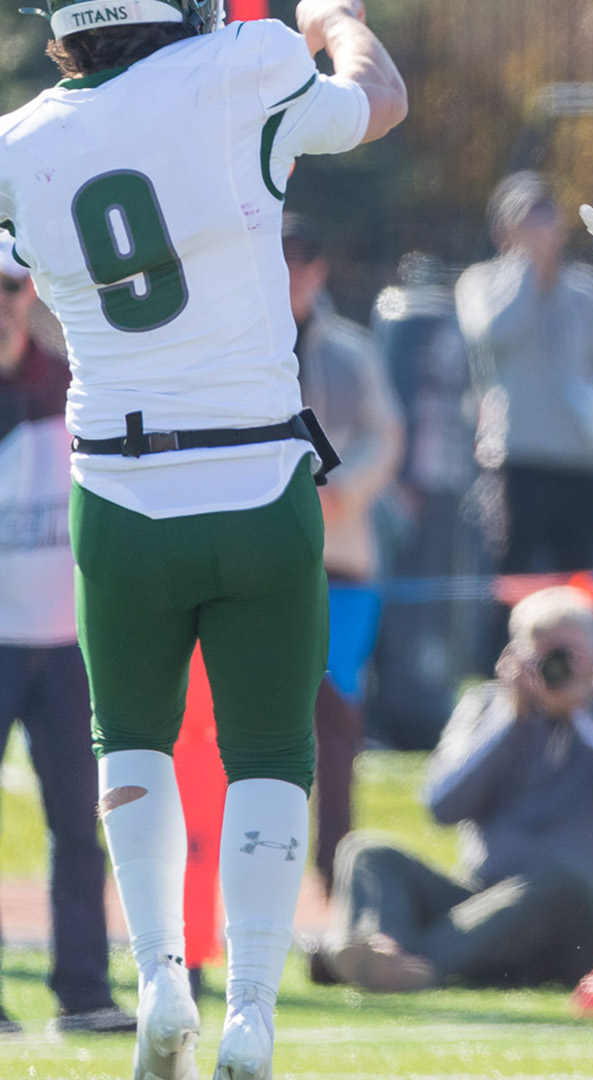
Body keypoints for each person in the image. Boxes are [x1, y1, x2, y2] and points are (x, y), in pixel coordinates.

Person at [0, 1, 406, 1076]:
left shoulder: (20, 140)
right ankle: (254, 1010)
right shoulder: (241, 64)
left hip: (120, 489)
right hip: (258, 477)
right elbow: (382, 102)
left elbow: (41, 301)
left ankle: (160, 976)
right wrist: (335, 23)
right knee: (270, 753)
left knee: (128, 744)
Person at [318, 586, 593, 992]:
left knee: (559, 881)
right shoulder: (488, 707)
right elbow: (442, 804)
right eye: (547, 656)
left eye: (572, 654)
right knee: (366, 851)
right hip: (483, 906)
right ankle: (376, 949)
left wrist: (585, 718)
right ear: (517, 655)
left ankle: (406, 964)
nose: (560, 668)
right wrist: (510, 717)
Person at [0, 238, 136, 1037]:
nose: (3, 305)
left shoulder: (70, 386)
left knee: (78, 826)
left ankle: (83, 992)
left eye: (13, 289)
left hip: (63, 642)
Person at [284, 213, 405, 893]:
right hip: (264, 560)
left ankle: (336, 866)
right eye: (279, 260)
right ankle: (254, 855)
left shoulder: (350, 353)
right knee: (264, 712)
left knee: (335, 708)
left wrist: (344, 487)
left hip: (342, 560)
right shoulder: (243, 344)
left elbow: (386, 434)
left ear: (320, 271)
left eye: (301, 262)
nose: (290, 275)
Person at [455, 170, 593, 580]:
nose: (540, 227)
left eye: (546, 215)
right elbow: (492, 335)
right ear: (502, 230)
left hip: (580, 464)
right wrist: (526, 268)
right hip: (515, 460)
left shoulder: (587, 293)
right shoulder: (481, 283)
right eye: (526, 218)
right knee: (513, 584)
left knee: (577, 585)